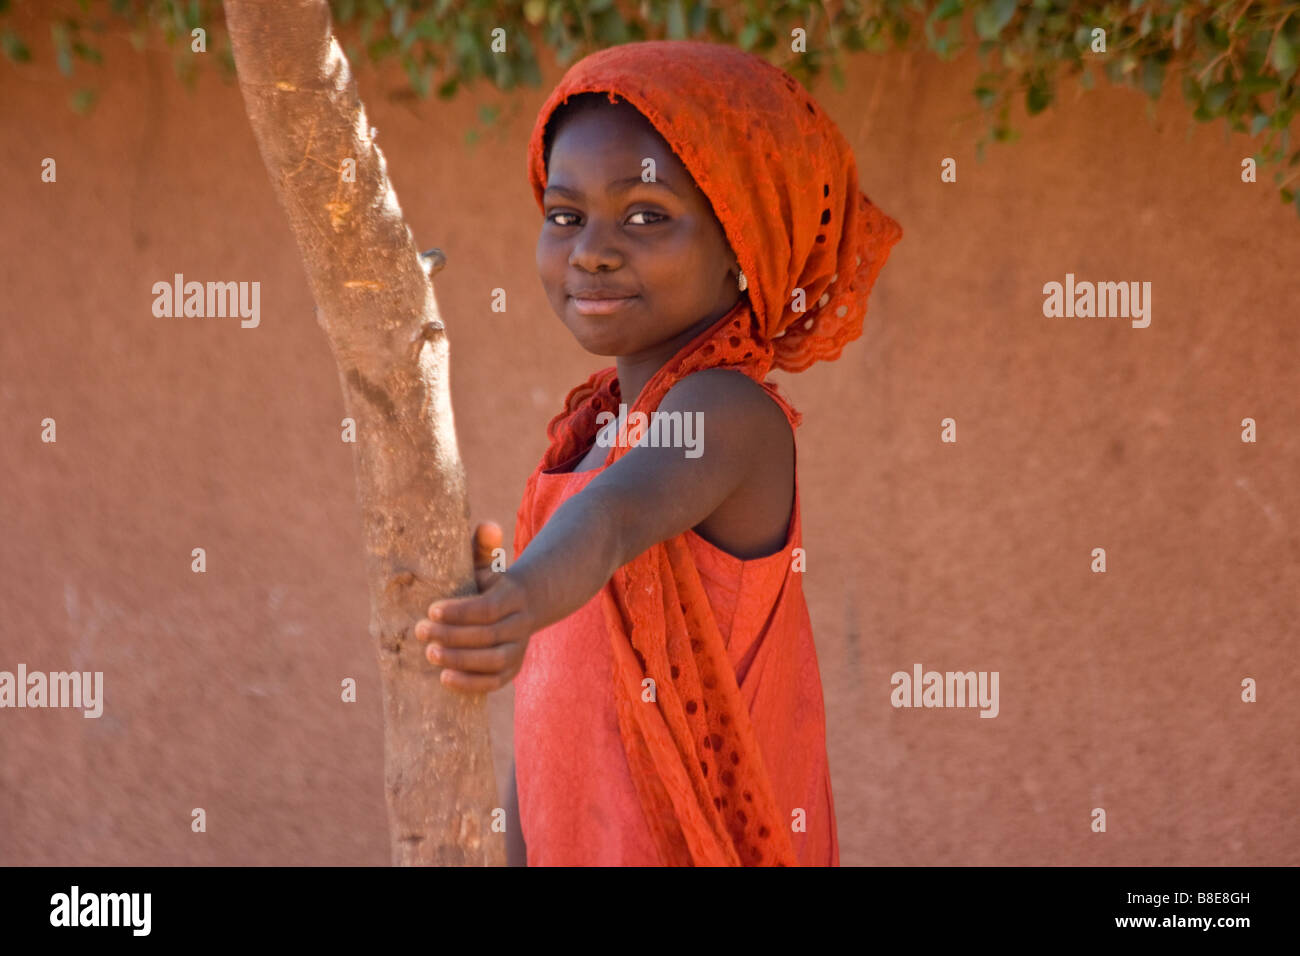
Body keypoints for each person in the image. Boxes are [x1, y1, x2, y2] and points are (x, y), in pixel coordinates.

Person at [413, 40, 902, 866]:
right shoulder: (588, 437)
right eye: (565, 216)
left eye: (646, 216)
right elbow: (552, 724)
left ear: (743, 248)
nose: (592, 250)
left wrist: (519, 599)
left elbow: (611, 523)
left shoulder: (730, 413)